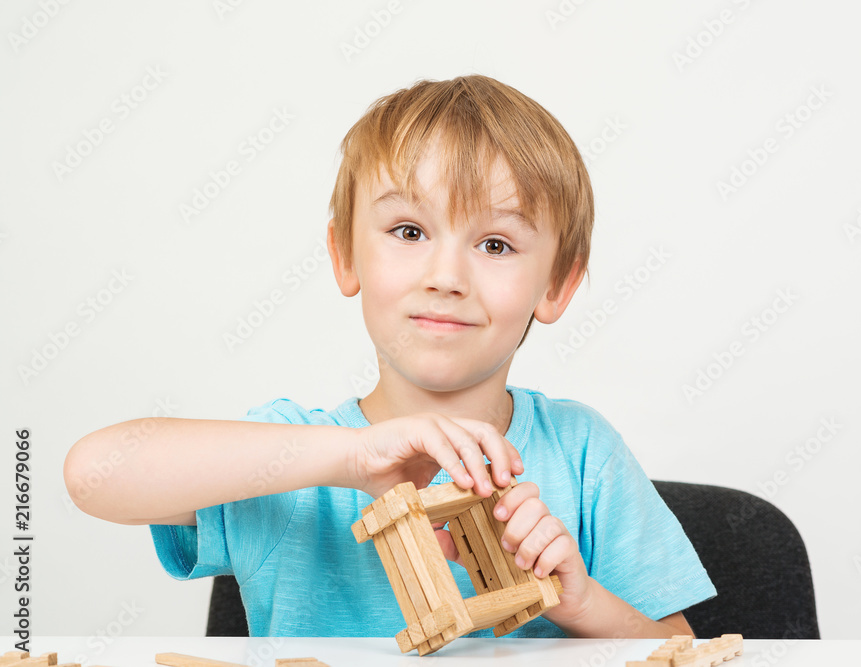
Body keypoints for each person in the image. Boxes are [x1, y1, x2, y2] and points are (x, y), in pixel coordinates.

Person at [64, 75, 715, 639]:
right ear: (345, 255)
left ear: (557, 285)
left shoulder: (584, 452)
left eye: (494, 244)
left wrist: (582, 602)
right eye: (409, 231)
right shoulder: (294, 452)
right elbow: (92, 471)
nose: (445, 275)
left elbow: (680, 649)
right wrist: (348, 457)